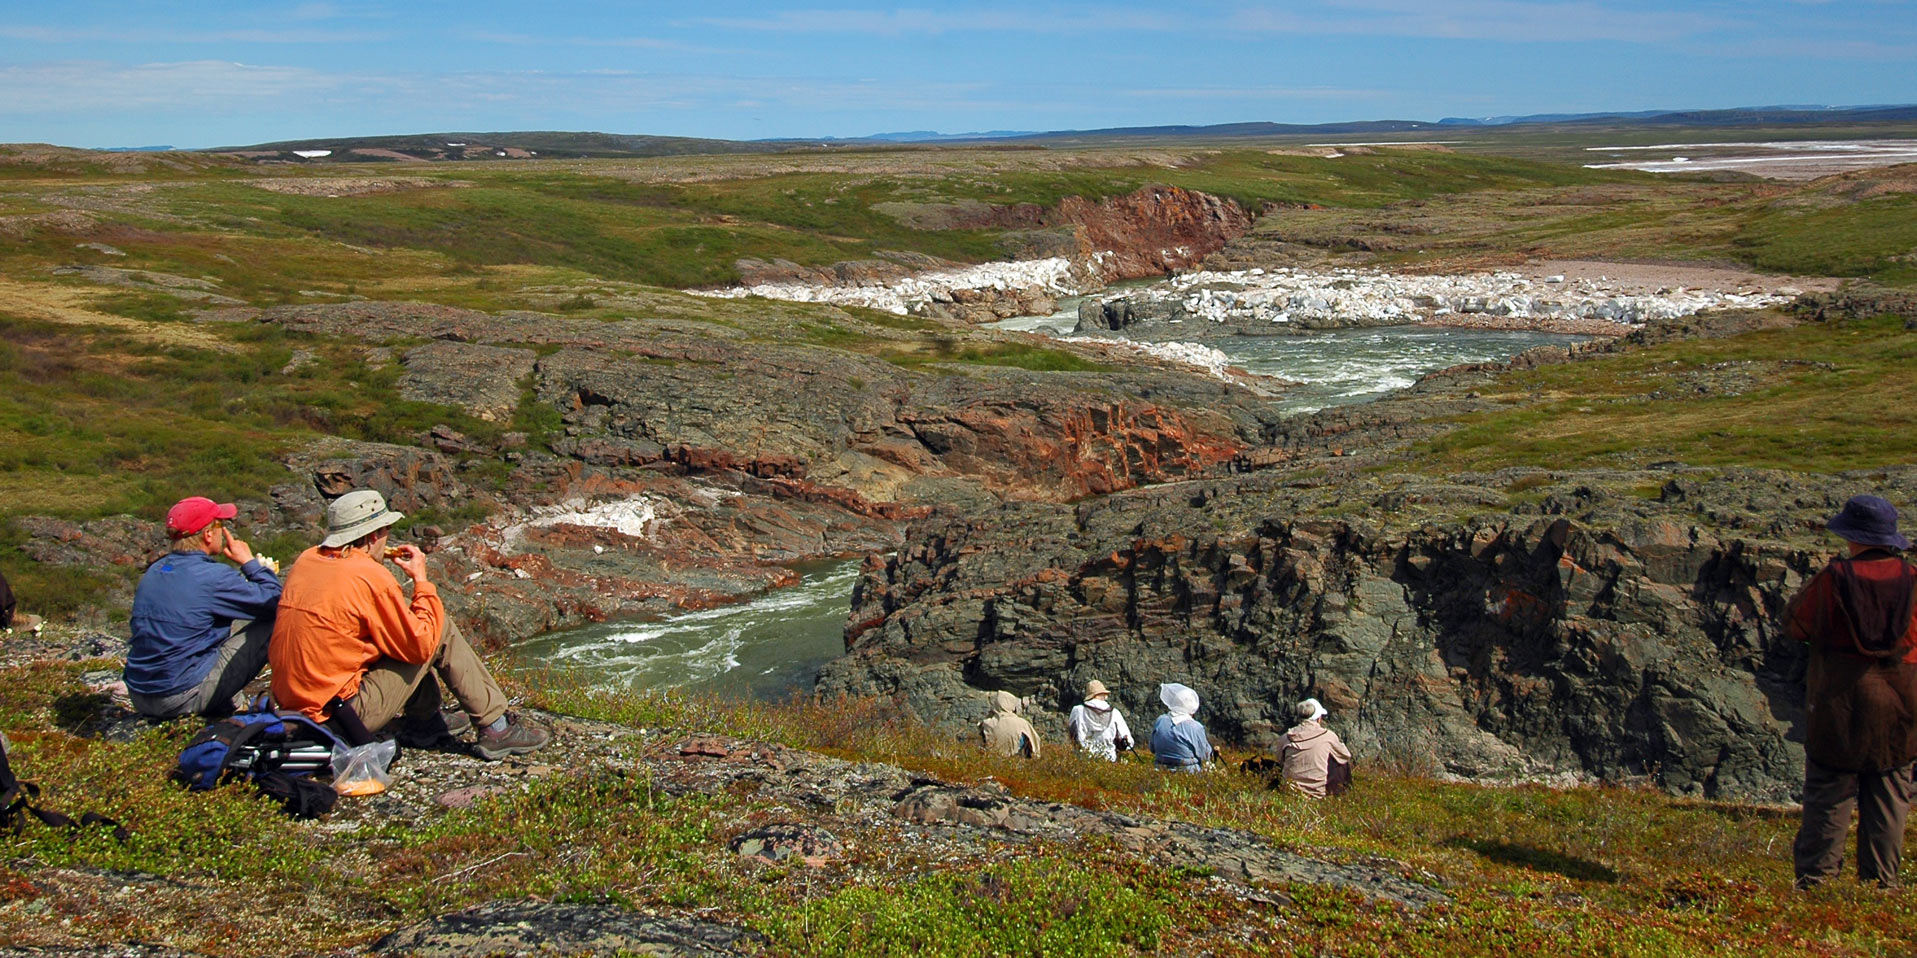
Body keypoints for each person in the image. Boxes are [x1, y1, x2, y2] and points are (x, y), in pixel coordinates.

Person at [269, 489, 549, 761]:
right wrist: (421, 581)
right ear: (371, 536)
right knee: (439, 627)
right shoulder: (368, 575)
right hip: (340, 716)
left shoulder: (306, 560)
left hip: (297, 710)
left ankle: (424, 721)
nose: (387, 537)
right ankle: (496, 726)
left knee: (400, 632)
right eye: (385, 530)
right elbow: (420, 644)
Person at [1783, 494, 1917, 890]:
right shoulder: (1913, 582)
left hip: (1837, 703)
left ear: (1853, 537)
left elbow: (1796, 624)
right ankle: (1880, 888)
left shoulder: (1832, 580)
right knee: (1891, 794)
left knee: (1829, 792)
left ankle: (1816, 884)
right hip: (1901, 705)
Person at [124, 497, 282, 719]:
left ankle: (230, 705)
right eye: (220, 525)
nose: (223, 530)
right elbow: (276, 603)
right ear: (208, 534)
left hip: (140, 694)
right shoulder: (213, 577)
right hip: (178, 697)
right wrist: (250, 564)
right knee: (277, 623)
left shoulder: (154, 571)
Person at [1279, 698, 1353, 798]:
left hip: (1289, 792)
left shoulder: (1286, 737)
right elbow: (1345, 755)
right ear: (1319, 719)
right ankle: (1340, 795)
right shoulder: (1328, 736)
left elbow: (1280, 760)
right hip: (1317, 793)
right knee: (1341, 762)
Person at [1150, 682, 1213, 772]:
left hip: (1160, 771)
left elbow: (1152, 748)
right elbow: (1204, 755)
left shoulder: (1161, 721)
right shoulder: (1195, 727)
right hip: (1188, 773)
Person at [1067, 679, 1133, 761]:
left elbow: (1073, 735)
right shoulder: (1115, 713)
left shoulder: (1077, 711)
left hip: (1084, 760)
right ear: (1104, 695)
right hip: (1109, 760)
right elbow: (1128, 742)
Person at [978, 690, 1040, 758]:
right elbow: (1035, 741)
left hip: (992, 761)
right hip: (1016, 760)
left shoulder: (987, 724)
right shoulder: (1022, 724)